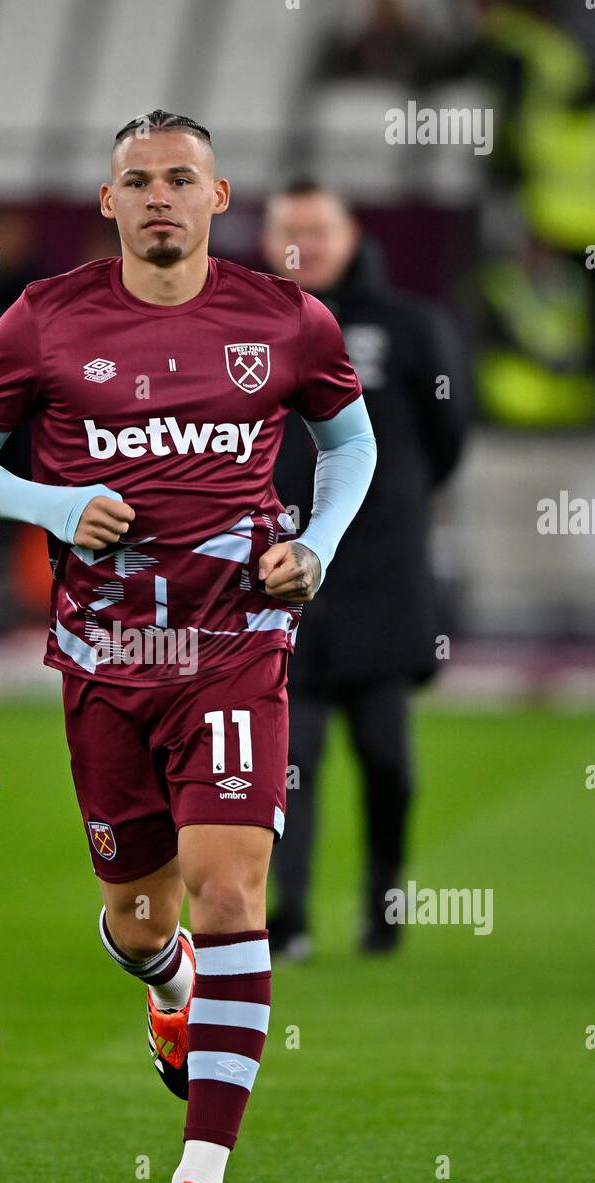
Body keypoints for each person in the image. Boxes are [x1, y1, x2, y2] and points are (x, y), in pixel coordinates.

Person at [0, 112, 376, 1183]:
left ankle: (197, 1179)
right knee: (140, 918)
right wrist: (50, 505)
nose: (160, 196)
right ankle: (162, 979)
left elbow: (351, 444)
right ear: (107, 199)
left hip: (235, 648)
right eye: (140, 181)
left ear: (218, 197)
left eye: (181, 178)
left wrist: (314, 546)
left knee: (232, 893)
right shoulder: (44, 320)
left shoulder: (285, 319)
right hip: (106, 663)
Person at [262, 182, 469, 959]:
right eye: (291, 230)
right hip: (282, 579)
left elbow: (449, 437)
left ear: (350, 235)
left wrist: (391, 510)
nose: (305, 244)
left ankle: (384, 900)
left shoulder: (413, 329)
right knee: (290, 762)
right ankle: (291, 917)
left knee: (387, 757)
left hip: (382, 577)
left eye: (319, 229)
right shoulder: (246, 325)